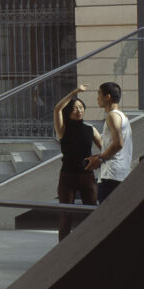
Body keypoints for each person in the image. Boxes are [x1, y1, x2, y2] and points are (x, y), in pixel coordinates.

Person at [54, 84, 102, 240]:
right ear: (69, 111)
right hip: (68, 176)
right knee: (66, 215)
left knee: (91, 214)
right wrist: (75, 92)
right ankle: (63, 251)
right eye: (75, 108)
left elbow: (105, 148)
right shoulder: (62, 129)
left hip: (87, 176)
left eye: (81, 107)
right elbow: (57, 109)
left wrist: (99, 159)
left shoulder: (91, 129)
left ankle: (91, 245)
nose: (79, 110)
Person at [87, 80, 133, 202]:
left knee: (106, 215)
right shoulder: (122, 116)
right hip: (119, 173)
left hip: (111, 175)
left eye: (99, 94)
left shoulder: (112, 116)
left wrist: (100, 159)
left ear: (107, 97)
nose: (97, 98)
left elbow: (118, 144)